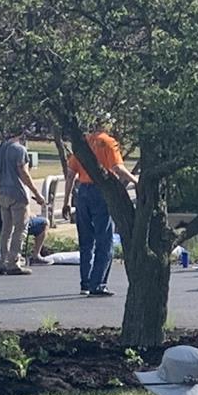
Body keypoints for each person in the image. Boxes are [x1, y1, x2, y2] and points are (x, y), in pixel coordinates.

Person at [67, 123, 136, 299]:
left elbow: (71, 173)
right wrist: (135, 181)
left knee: (86, 240)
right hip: (101, 191)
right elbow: (117, 167)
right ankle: (98, 283)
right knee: (104, 239)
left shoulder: (83, 143)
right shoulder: (108, 142)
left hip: (82, 191)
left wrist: (68, 199)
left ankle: (85, 282)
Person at [0, 123, 45, 277]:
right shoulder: (19, 150)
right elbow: (23, 173)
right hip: (17, 193)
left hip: (3, 193)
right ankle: (13, 262)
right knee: (20, 229)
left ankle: (3, 261)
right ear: (21, 135)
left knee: (6, 229)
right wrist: (37, 194)